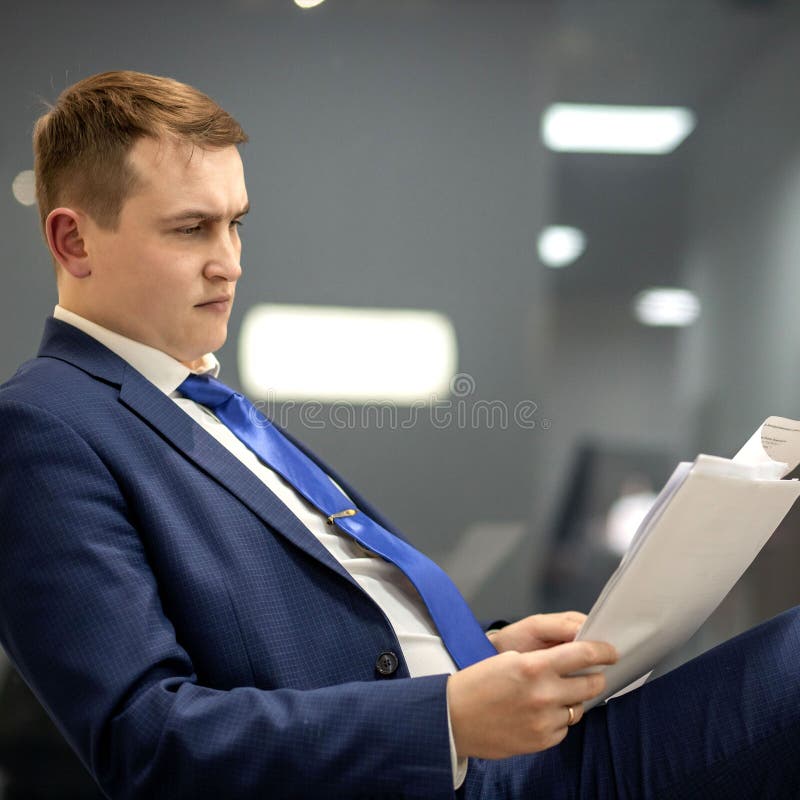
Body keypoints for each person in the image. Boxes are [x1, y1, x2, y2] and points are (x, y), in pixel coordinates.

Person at [0, 70, 799, 800]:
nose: (231, 262)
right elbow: (149, 743)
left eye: (237, 223)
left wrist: (483, 654)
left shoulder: (198, 402)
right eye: (191, 230)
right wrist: (446, 717)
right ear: (72, 240)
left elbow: (332, 647)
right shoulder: (44, 426)